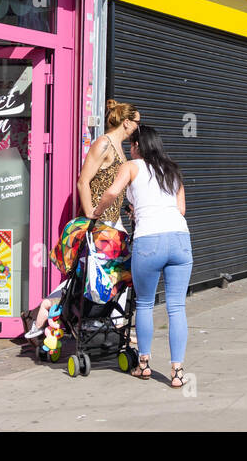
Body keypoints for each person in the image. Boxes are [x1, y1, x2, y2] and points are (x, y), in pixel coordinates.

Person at [99, 124, 192, 389]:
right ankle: (177, 372)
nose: (130, 148)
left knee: (146, 305)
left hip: (149, 241)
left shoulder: (131, 166)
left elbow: (112, 193)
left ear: (138, 146)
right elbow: (181, 209)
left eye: (132, 144)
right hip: (179, 240)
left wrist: (97, 211)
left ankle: (144, 365)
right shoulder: (172, 170)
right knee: (177, 308)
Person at [76, 99, 141, 230]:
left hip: (111, 223)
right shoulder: (104, 143)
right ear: (127, 123)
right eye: (137, 123)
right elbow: (83, 181)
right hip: (97, 224)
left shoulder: (119, 148)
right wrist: (90, 214)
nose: (138, 127)